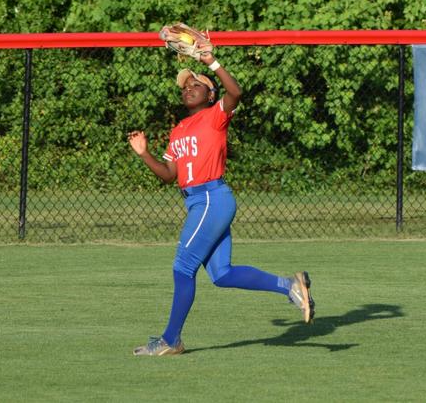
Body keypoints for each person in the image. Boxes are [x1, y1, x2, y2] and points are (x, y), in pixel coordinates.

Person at [126, 50, 315, 356]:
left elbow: (236, 91)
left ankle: (171, 340)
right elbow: (168, 175)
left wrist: (209, 62)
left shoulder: (215, 116)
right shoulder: (179, 130)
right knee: (221, 274)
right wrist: (144, 153)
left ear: (210, 94)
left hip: (211, 197)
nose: (188, 88)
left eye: (196, 84)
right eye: (185, 86)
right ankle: (290, 286)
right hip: (199, 202)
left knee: (183, 267)